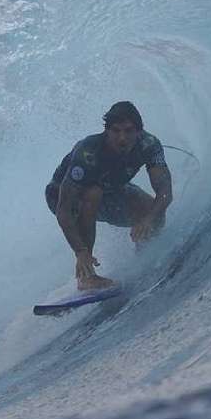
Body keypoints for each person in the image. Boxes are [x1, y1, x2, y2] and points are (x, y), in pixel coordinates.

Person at [45, 101, 173, 290]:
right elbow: (63, 208)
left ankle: (144, 258)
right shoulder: (88, 151)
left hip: (110, 192)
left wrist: (147, 220)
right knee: (93, 192)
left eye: (129, 131)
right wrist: (80, 251)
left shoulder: (149, 145)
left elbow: (164, 193)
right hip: (62, 197)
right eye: (116, 131)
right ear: (107, 131)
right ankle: (87, 277)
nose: (122, 138)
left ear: (139, 131)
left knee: (152, 212)